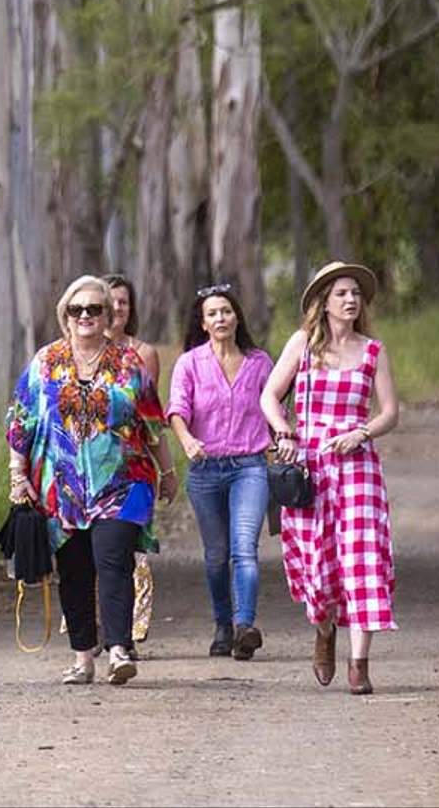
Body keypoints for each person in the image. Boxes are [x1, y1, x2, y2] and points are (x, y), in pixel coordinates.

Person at [8, 275, 170, 686]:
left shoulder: (128, 364)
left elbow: (152, 423)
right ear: (66, 315)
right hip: (59, 487)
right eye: (77, 309)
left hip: (122, 481)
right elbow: (20, 422)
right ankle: (83, 658)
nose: (85, 316)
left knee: (112, 559)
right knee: (74, 569)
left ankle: (118, 648)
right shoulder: (46, 362)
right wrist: (17, 475)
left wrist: (167, 472)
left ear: (108, 315)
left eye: (94, 309)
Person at [260, 260, 404, 696]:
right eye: (341, 293)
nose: (350, 300)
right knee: (317, 569)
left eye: (356, 294)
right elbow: (268, 395)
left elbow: (390, 412)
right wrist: (284, 431)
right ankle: (324, 627)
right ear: (324, 302)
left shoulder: (373, 351)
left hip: (357, 468)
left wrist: (360, 432)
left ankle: (359, 663)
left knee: (363, 562)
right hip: (310, 467)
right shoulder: (303, 344)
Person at [167, 283, 273, 660]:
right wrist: (187, 441)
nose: (221, 318)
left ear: (236, 316)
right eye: (212, 313)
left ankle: (246, 626)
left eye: (226, 311)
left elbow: (274, 405)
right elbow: (176, 410)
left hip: (249, 467)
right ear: (203, 322)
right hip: (205, 470)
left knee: (245, 548)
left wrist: (283, 437)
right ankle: (222, 625)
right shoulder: (190, 363)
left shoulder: (260, 362)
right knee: (216, 555)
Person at [103, 274, 173, 647]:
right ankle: (94, 626)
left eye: (123, 302)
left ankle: (129, 629)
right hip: (84, 473)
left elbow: (149, 416)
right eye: (109, 301)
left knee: (129, 552)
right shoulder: (67, 354)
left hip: (131, 468)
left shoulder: (141, 355)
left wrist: (167, 468)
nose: (116, 309)